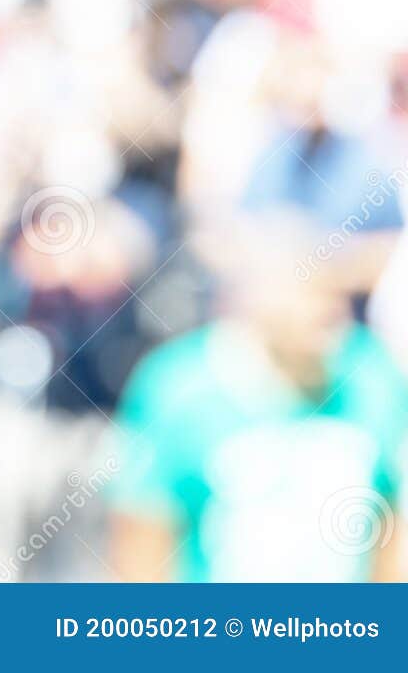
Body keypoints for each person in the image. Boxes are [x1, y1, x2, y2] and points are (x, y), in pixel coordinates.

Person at [109, 212, 408, 581]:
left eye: (334, 295)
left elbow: (392, 525)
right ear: (253, 300)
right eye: (309, 294)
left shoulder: (371, 378)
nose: (326, 314)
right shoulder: (180, 387)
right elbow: (143, 535)